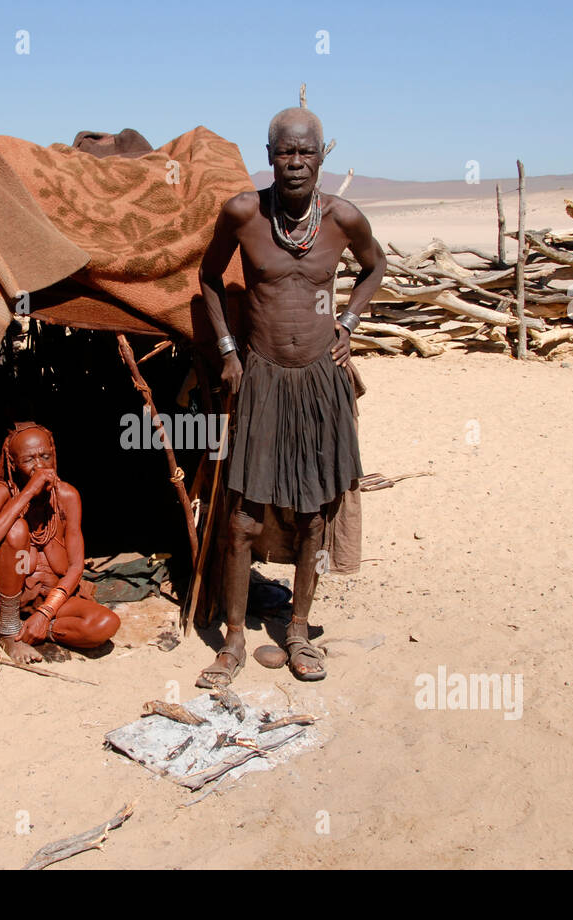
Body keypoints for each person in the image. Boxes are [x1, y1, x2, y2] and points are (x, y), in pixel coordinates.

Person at [196, 106, 387, 684]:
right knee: (243, 519)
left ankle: (299, 632)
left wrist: (348, 325)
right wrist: (228, 350)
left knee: (313, 514)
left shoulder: (344, 219)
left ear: (322, 156)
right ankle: (232, 640)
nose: (296, 163)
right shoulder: (245, 213)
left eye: (307, 152)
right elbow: (207, 278)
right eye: (286, 152)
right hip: (262, 378)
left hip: (319, 380)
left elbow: (376, 269)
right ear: (271, 155)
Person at [0, 423, 119, 662]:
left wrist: (45, 614)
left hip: (50, 599)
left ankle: (30, 631)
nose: (39, 466)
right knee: (16, 529)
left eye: (45, 456)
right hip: (5, 603)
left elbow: (76, 567)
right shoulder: (0, 493)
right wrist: (27, 493)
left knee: (105, 623)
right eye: (29, 460)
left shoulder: (67, 496)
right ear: (13, 462)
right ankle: (8, 628)